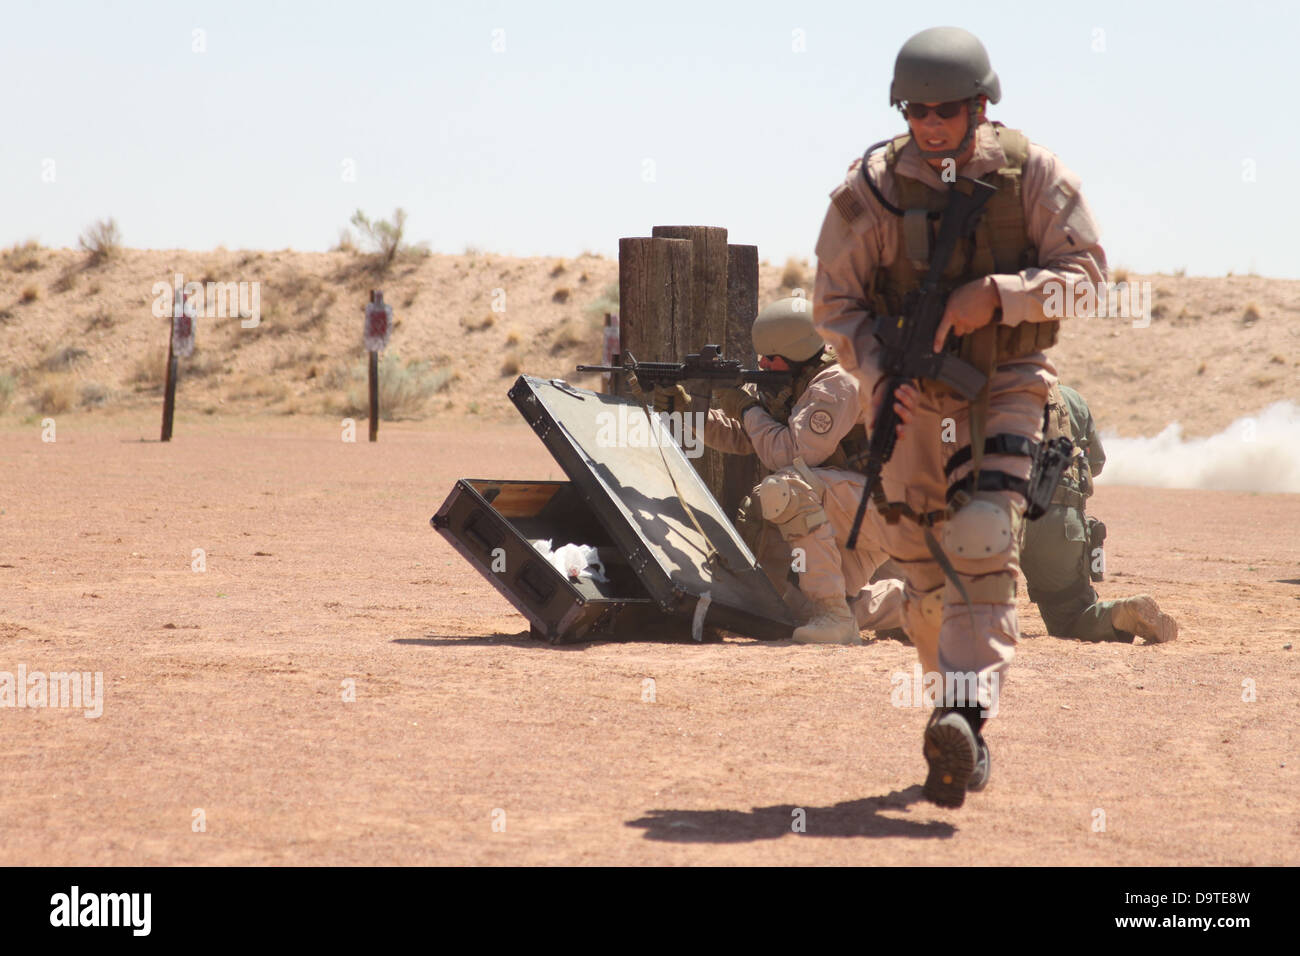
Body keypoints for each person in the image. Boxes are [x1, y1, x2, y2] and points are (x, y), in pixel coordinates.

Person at [813, 26, 1106, 806]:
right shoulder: (870, 190)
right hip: (911, 395)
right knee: (921, 573)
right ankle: (951, 719)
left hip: (1007, 378)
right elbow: (834, 306)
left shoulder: (1032, 175)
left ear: (981, 104)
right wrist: (877, 374)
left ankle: (966, 717)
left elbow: (1087, 279)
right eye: (916, 110)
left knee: (980, 537)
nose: (931, 123)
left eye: (946, 108)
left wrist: (998, 297)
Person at [639, 296, 905, 645]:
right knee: (793, 617)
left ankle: (834, 617)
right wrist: (689, 414)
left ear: (798, 352)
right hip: (851, 508)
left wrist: (746, 407)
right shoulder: (788, 380)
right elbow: (746, 437)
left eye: (772, 359)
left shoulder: (837, 383)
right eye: (761, 357)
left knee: (786, 490)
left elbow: (792, 454)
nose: (762, 363)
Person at [1021, 383, 1179, 644]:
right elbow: (1096, 463)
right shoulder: (1068, 398)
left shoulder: (969, 385)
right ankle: (1118, 615)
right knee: (1071, 617)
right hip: (1062, 522)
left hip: (994, 515)